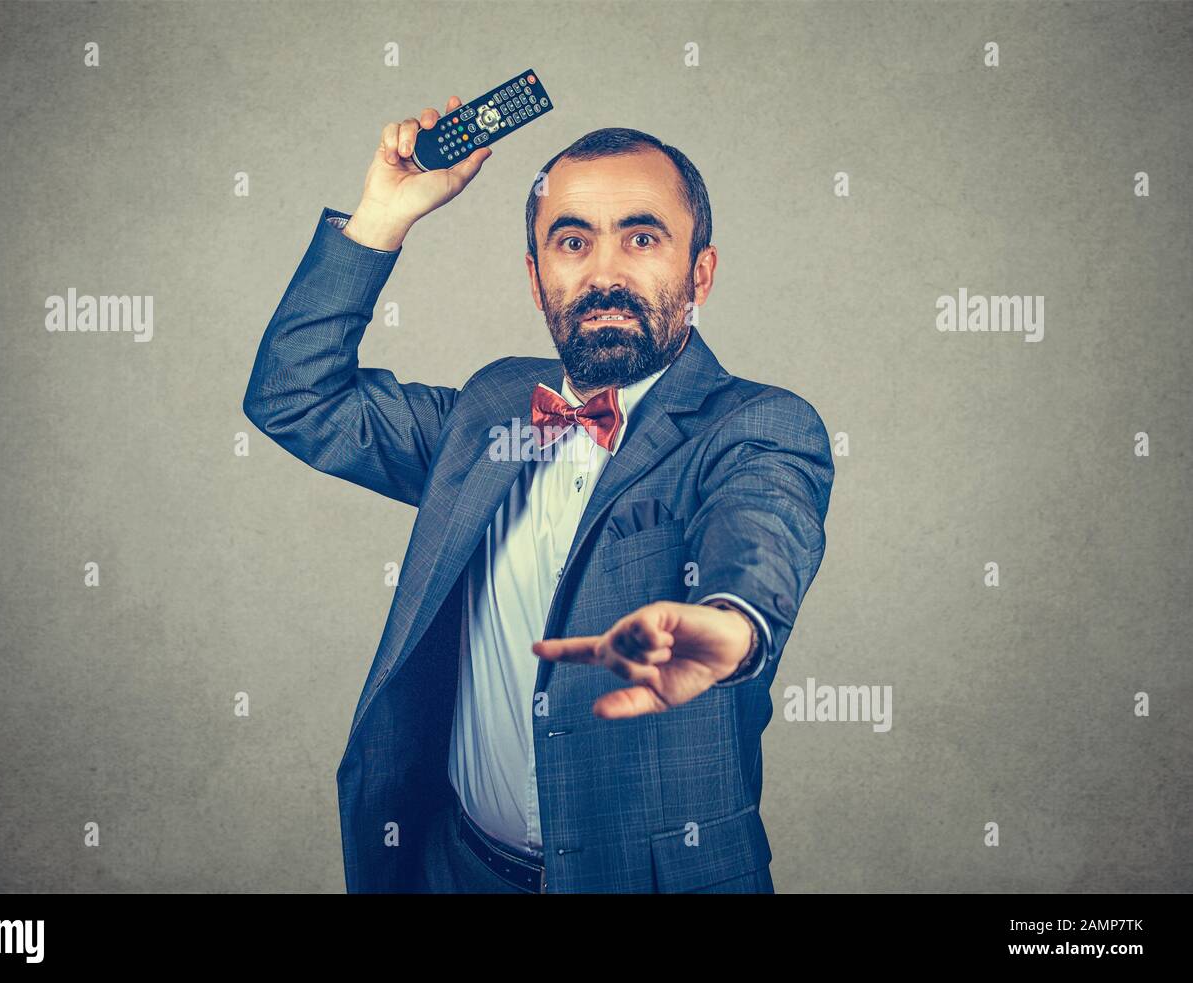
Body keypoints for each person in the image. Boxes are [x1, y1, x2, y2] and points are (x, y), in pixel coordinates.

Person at [243, 95, 835, 893]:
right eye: (572, 240)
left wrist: (733, 625)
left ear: (700, 273)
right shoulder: (490, 408)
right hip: (455, 869)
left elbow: (762, 529)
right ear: (535, 277)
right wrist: (383, 214)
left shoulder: (756, 426)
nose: (604, 271)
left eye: (642, 236)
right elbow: (296, 395)